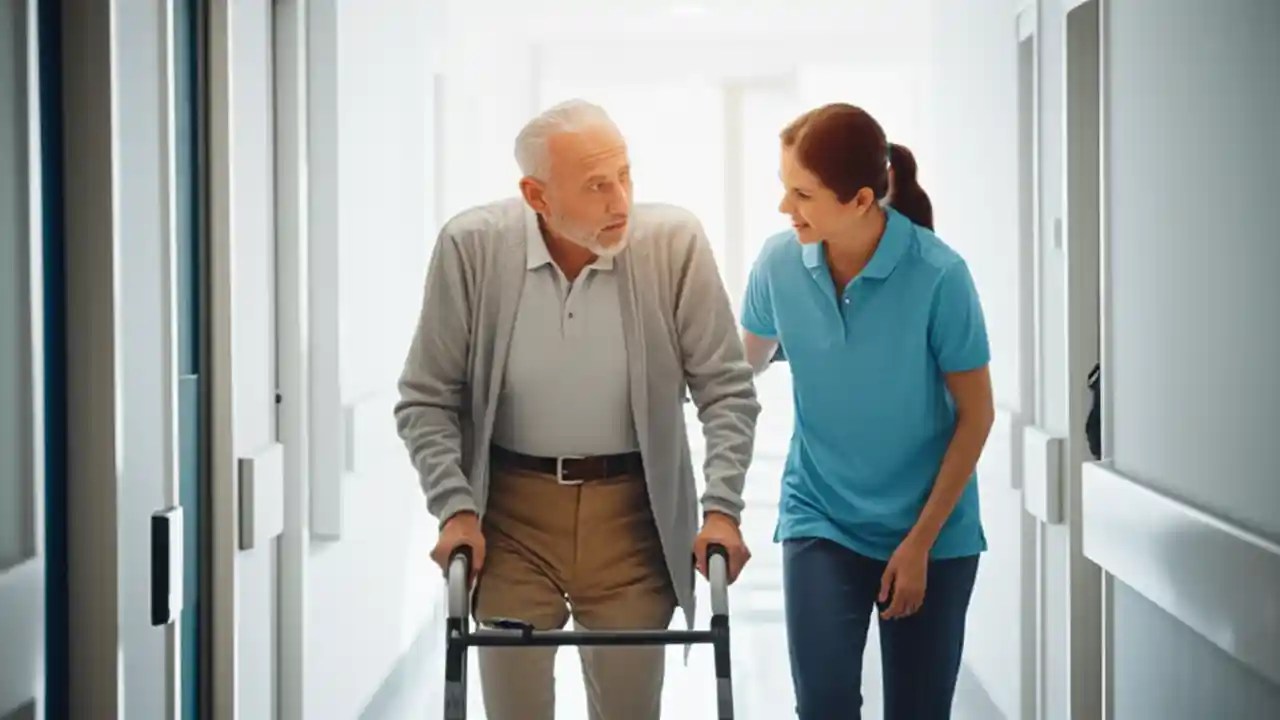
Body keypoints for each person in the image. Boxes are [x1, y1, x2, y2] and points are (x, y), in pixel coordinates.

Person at [394, 98, 758, 720]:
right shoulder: (471, 247)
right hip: (510, 518)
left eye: (625, 175)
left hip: (632, 517)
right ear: (537, 196)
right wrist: (454, 508)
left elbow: (725, 389)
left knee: (628, 708)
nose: (620, 200)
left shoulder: (673, 244)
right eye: (596, 185)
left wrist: (721, 509)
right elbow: (426, 398)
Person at [740, 103, 995, 719]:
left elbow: (977, 416)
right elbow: (733, 365)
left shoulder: (939, 275)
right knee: (823, 706)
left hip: (930, 530)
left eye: (801, 193)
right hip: (821, 517)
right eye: (784, 188)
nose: (784, 208)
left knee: (917, 709)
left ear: (859, 200)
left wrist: (920, 544)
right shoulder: (779, 264)